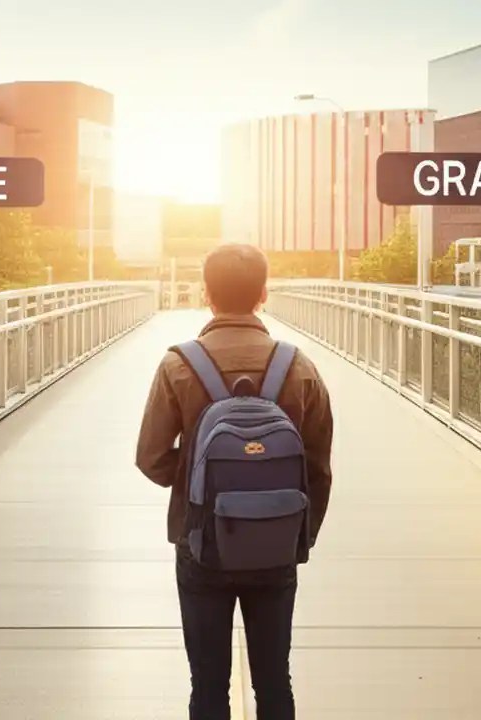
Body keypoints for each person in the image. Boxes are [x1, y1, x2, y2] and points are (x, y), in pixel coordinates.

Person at [135, 243, 334, 720]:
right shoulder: (298, 366)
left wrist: (199, 479)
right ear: (263, 294)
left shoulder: (178, 365)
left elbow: (151, 458)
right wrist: (298, 533)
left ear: (206, 293)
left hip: (201, 543)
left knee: (207, 685)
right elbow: (318, 467)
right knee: (274, 680)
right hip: (276, 544)